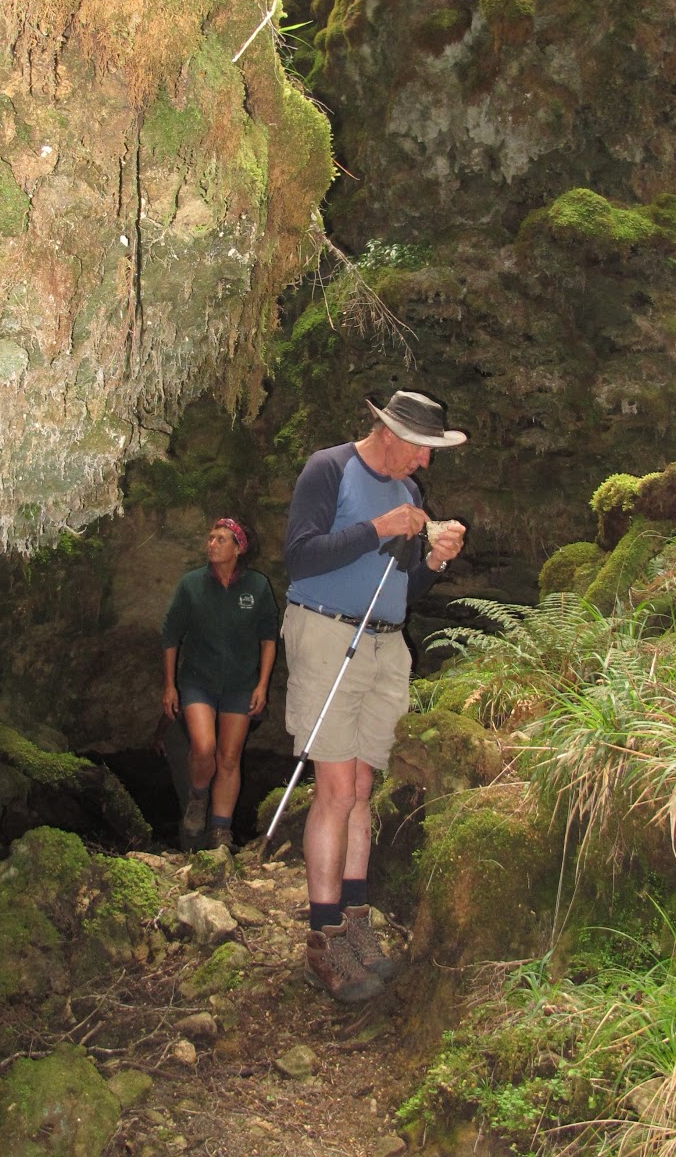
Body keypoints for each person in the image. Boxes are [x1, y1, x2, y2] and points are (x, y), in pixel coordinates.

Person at [283, 390, 467, 1003]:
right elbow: (301, 559)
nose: (425, 464)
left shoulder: (411, 494)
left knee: (362, 790)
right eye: (420, 448)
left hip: (385, 645)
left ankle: (356, 926)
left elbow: (400, 586)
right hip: (327, 635)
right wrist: (376, 529)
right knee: (335, 791)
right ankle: (323, 937)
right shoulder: (329, 469)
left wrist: (434, 562)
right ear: (386, 431)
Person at [161, 517, 279, 850]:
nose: (212, 543)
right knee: (203, 747)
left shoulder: (257, 586)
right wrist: (170, 685)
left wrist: (262, 685)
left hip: (241, 685)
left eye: (221, 539)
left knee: (229, 757)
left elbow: (268, 637)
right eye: (210, 538)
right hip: (199, 682)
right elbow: (170, 636)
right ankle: (198, 796)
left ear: (239, 548)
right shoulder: (191, 584)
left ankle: (221, 831)